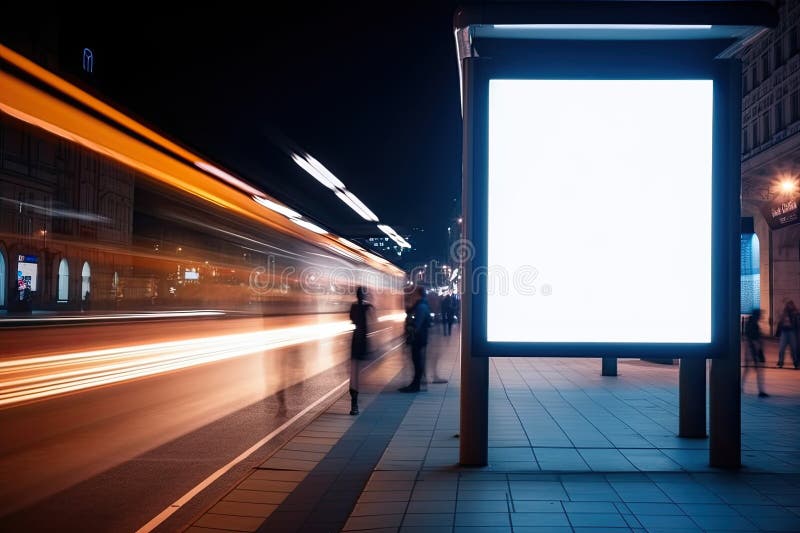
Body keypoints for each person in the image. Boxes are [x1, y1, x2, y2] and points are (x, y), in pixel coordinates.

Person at [400, 286, 431, 393]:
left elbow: (417, 325)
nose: (412, 296)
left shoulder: (421, 307)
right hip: (419, 338)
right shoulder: (421, 305)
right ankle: (415, 384)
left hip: (418, 338)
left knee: (417, 361)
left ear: (418, 294)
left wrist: (411, 333)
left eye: (413, 294)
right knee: (417, 361)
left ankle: (416, 385)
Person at [349, 286, 374, 414]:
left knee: (354, 371)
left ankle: (354, 403)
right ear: (363, 296)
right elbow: (373, 320)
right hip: (363, 340)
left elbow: (351, 319)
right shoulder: (367, 307)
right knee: (361, 372)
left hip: (355, 339)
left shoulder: (354, 307)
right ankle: (356, 402)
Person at [743, 308, 769, 397]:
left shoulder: (750, 323)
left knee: (747, 369)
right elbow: (754, 340)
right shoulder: (754, 325)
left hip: (751, 350)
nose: (761, 316)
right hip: (753, 350)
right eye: (760, 315)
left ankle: (741, 386)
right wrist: (758, 354)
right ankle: (761, 391)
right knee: (759, 371)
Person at [776, 300, 799, 369]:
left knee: (793, 349)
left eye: (790, 305)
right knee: (782, 348)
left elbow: (796, 323)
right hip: (784, 331)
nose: (789, 306)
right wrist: (778, 332)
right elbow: (780, 322)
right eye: (788, 305)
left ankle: (796, 363)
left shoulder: (795, 313)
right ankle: (781, 362)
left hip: (792, 332)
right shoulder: (784, 313)